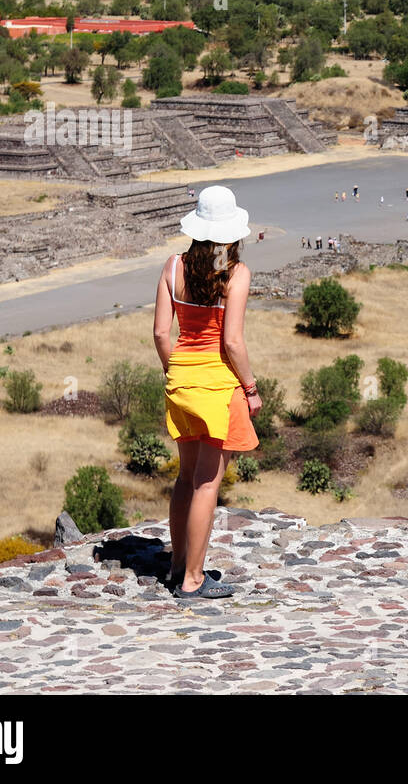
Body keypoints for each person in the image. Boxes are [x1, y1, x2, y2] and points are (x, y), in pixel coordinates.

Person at [153, 186, 260, 601]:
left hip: (181, 384)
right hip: (218, 388)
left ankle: (178, 565)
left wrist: (176, 371)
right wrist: (250, 388)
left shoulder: (173, 266)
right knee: (206, 483)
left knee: (184, 477)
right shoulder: (236, 274)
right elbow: (232, 342)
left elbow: (163, 333)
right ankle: (194, 580)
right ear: (232, 233)